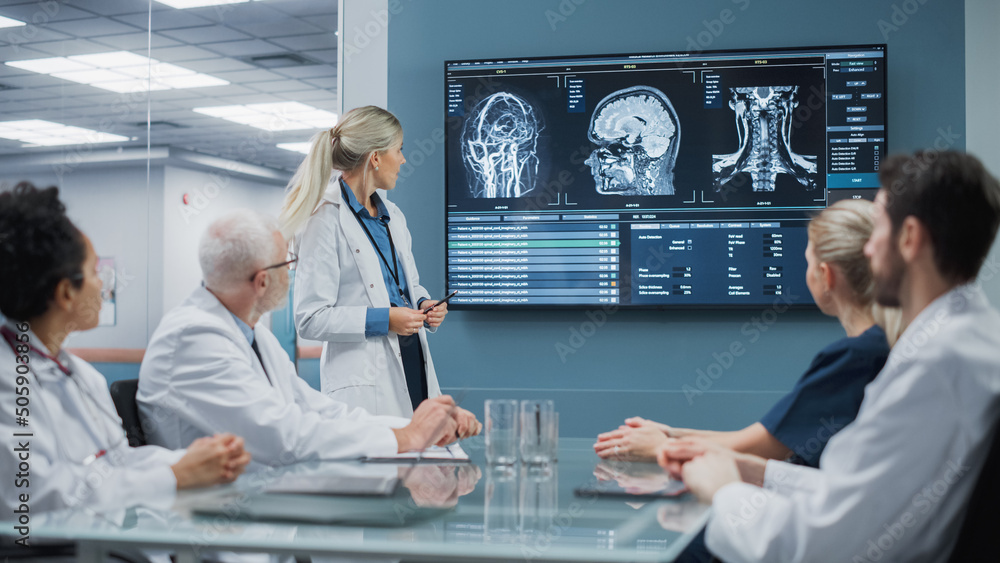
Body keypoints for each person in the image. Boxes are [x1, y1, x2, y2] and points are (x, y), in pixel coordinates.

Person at [659, 151, 1000, 562]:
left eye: (878, 226)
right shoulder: (966, 340)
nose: (868, 249)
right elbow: (856, 493)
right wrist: (753, 471)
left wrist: (723, 490)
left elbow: (820, 546)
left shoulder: (935, 367)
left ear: (909, 238)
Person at [138, 210, 480, 467]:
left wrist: (420, 427)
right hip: (214, 522)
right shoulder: (194, 337)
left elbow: (319, 411)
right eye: (287, 263)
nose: (293, 272)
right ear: (262, 281)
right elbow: (284, 437)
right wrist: (407, 436)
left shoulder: (254, 336)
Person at [0, 182, 251, 515]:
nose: (103, 284)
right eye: (94, 272)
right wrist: (174, 476)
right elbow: (34, 497)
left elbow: (117, 462)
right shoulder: (8, 381)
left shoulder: (80, 375)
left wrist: (195, 460)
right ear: (66, 293)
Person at [595, 199, 901, 467]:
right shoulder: (886, 344)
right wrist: (670, 434)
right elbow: (760, 438)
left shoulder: (853, 358)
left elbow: (756, 449)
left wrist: (660, 449)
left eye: (807, 262)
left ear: (826, 275)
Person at [280, 106, 446, 417]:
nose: (403, 159)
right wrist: (385, 320)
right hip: (364, 379)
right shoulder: (324, 219)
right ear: (376, 158)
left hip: (412, 361)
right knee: (382, 447)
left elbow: (405, 286)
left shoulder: (392, 216)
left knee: (421, 443)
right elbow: (309, 318)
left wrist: (424, 303)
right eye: (399, 150)